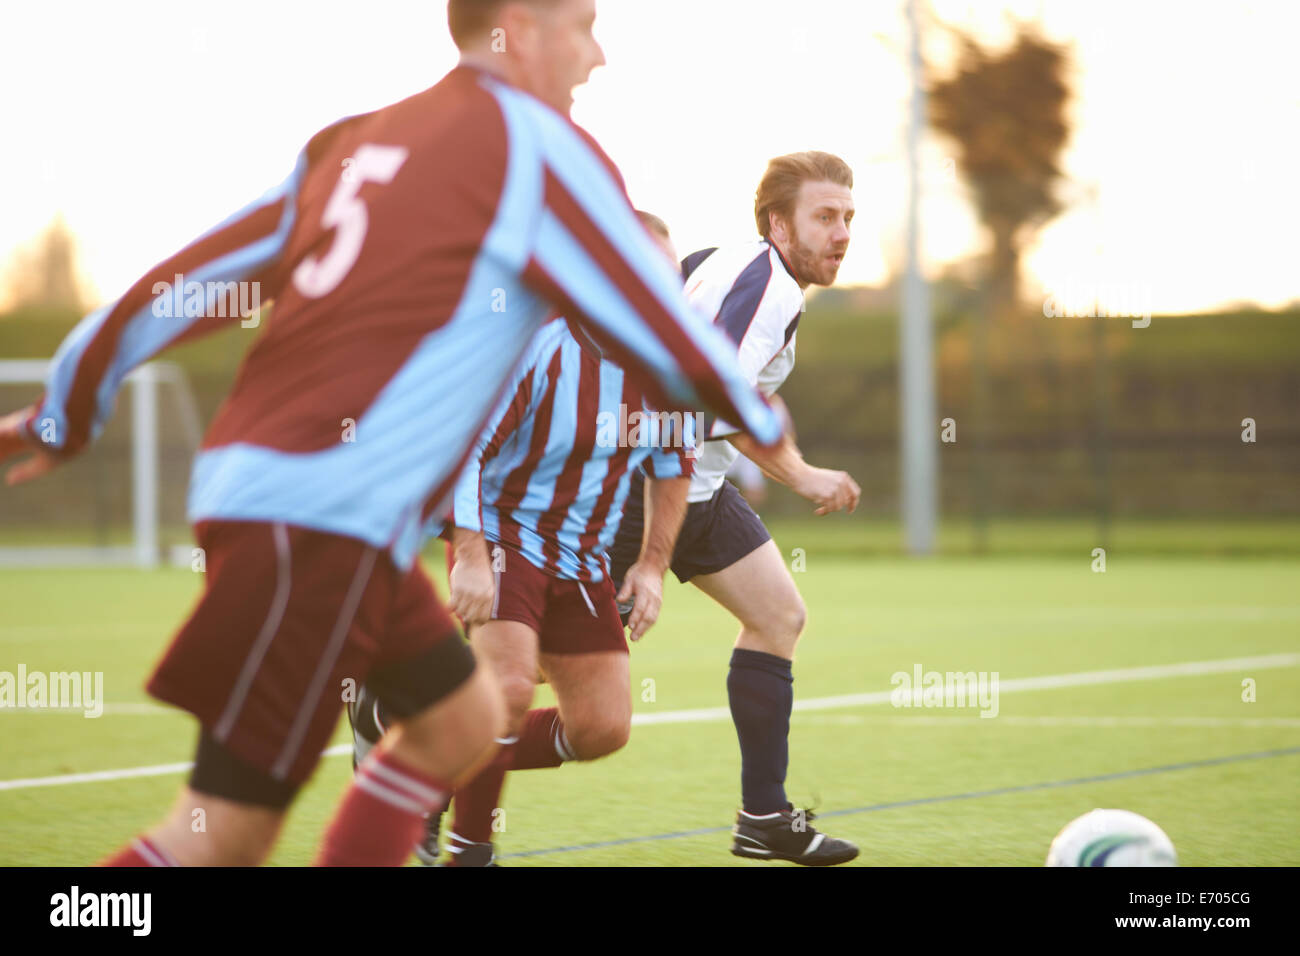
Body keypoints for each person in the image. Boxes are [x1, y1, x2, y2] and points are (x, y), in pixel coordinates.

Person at [0, 0, 780, 867]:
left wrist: (65, 407)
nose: (598, 56)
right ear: (518, 26)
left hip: (292, 501)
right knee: (219, 837)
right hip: (319, 517)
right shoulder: (545, 148)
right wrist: (768, 427)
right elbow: (663, 327)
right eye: (585, 25)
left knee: (464, 722)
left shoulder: (351, 141)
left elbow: (191, 279)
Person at [351, 213, 693, 867]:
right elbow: (464, 450)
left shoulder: (671, 370)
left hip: (581, 554)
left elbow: (674, 467)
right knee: (507, 690)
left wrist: (652, 566)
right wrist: (472, 557)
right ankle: (469, 851)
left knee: (601, 729)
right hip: (502, 534)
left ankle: (406, 735)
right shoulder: (540, 344)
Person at [609, 151, 862, 866]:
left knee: (778, 616)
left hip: (697, 488)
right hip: (640, 491)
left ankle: (764, 819)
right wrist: (802, 474)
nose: (841, 233)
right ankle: (410, 706)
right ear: (778, 225)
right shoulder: (766, 289)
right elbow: (706, 400)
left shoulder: (743, 269)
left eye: (847, 218)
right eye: (823, 218)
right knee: (552, 665)